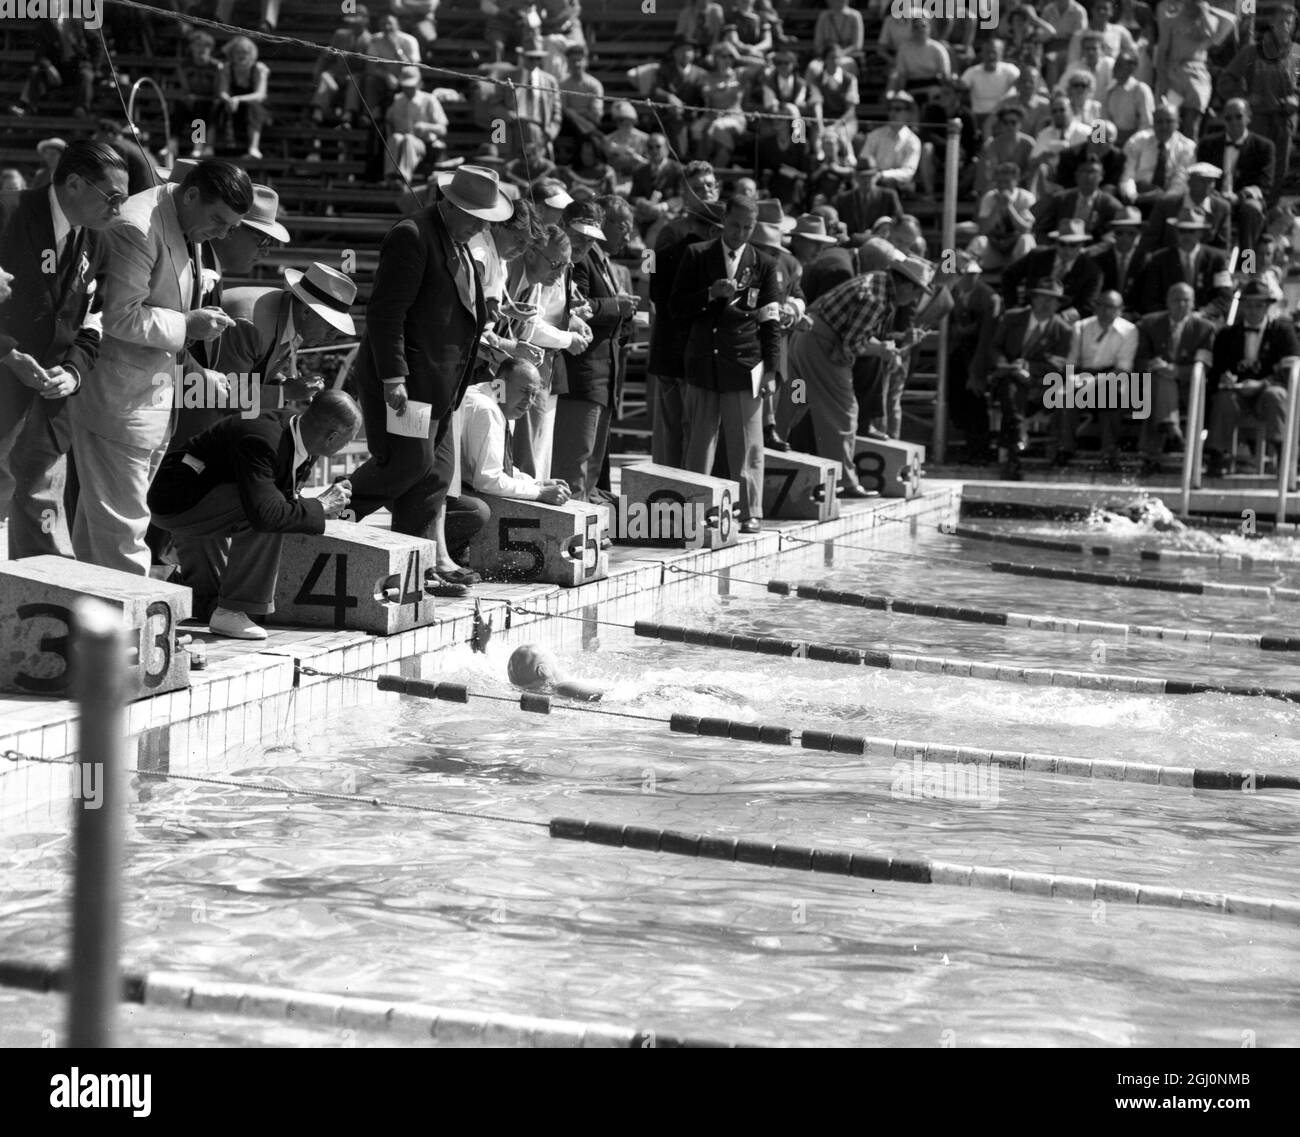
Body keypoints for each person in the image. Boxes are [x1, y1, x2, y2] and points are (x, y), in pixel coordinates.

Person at [70, 159, 252, 577]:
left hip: (152, 397)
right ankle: (133, 636)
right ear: (191, 195)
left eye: (232, 227)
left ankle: (93, 621)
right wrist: (188, 324)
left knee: (106, 523)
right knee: (123, 527)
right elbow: (119, 317)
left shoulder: (189, 224)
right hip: (119, 398)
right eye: (220, 220)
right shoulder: (137, 225)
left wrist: (192, 367)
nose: (224, 233)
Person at [346, 165, 510, 587]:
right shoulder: (413, 235)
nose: (480, 226)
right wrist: (393, 378)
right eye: (475, 216)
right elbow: (385, 312)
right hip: (409, 385)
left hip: (443, 388)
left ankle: (420, 566)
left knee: (436, 473)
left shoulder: (460, 244)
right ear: (450, 204)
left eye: (485, 219)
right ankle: (334, 510)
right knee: (408, 463)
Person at [0, 141, 129, 560]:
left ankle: (37, 609)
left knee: (41, 507)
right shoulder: (8, 212)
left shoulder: (100, 242)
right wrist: (7, 352)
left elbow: (97, 319)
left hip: (51, 396)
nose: (118, 210)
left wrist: (73, 371)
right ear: (74, 183)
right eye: (112, 197)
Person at [148, 391, 362, 638]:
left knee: (209, 603)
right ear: (332, 436)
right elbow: (265, 514)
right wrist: (319, 506)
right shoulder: (264, 438)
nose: (347, 445)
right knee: (270, 511)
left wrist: (315, 508)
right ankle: (233, 611)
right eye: (348, 440)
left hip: (205, 497)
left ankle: (188, 593)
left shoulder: (302, 433)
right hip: (176, 500)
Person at [777, 255, 932, 496]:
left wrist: (890, 345)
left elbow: (854, 333)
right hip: (822, 347)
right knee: (844, 413)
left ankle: (774, 452)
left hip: (804, 340)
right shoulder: (877, 299)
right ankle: (846, 483)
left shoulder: (876, 282)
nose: (916, 298)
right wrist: (882, 350)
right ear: (906, 285)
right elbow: (851, 344)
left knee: (795, 401)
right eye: (917, 291)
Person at [671, 194, 780, 533]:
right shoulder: (696, 255)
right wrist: (708, 294)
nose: (741, 232)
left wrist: (773, 371)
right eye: (735, 225)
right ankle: (695, 511)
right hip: (703, 363)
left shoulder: (764, 263)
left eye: (748, 227)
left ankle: (752, 511)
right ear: (724, 220)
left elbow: (770, 321)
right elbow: (675, 307)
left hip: (745, 364)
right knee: (699, 445)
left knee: (748, 446)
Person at [553, 199, 636, 502]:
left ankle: (584, 532)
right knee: (574, 464)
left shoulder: (599, 260)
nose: (584, 243)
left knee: (591, 465)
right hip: (579, 375)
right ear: (562, 227)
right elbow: (576, 309)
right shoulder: (574, 263)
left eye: (590, 238)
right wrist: (617, 306)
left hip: (603, 375)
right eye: (579, 236)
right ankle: (573, 537)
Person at [647, 161, 722, 468]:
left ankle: (697, 497)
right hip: (675, 346)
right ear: (684, 194)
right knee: (672, 428)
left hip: (709, 349)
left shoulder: (725, 228)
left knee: (700, 431)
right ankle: (665, 495)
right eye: (699, 187)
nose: (707, 191)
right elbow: (659, 291)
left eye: (711, 185)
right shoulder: (671, 232)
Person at [1203, 278, 1300, 477]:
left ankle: (1285, 458)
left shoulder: (1283, 332)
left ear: (1267, 307)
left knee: (1276, 396)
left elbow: (1290, 370)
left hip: (1268, 392)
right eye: (1249, 305)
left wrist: (1262, 384)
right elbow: (1216, 370)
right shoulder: (1226, 335)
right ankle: (1218, 456)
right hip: (1237, 394)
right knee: (1223, 399)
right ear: (1242, 307)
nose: (1253, 310)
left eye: (1259, 305)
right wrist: (1225, 378)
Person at [992, 279, 1074, 479]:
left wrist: (1027, 368)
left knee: (1013, 399)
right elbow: (995, 347)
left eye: (1052, 300)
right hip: (1010, 376)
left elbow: (1058, 363)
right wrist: (1009, 366)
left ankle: (1010, 455)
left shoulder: (1063, 329)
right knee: (1010, 390)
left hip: (1041, 382)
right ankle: (1017, 437)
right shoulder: (1012, 318)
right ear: (1034, 299)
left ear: (1058, 304)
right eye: (1043, 298)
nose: (1047, 304)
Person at [461, 359, 570, 505]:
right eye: (525, 391)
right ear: (500, 383)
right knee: (478, 511)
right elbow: (488, 481)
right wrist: (540, 493)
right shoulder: (486, 409)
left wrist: (537, 484)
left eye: (533, 394)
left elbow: (497, 466)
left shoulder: (494, 397)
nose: (529, 401)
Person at [1134, 282, 1215, 475]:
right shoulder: (1149, 324)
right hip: (1152, 383)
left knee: (1164, 382)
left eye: (1186, 300)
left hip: (1190, 387)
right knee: (1161, 383)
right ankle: (1171, 430)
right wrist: (1156, 366)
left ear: (1193, 303)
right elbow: (1140, 358)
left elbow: (1204, 365)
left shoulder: (1205, 328)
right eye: (1176, 300)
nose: (1181, 304)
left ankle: (1152, 453)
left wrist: (1175, 371)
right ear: (1167, 302)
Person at [1054, 288, 1138, 469]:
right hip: (1083, 374)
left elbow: (1123, 369)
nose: (1106, 311)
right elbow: (1071, 361)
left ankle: (1109, 452)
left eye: (1111, 307)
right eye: (1101, 305)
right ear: (1095, 307)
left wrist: (1093, 382)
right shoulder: (1081, 327)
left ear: (1120, 309)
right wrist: (1070, 380)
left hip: (1113, 377)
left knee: (1113, 393)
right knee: (1064, 394)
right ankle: (1064, 449)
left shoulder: (1130, 330)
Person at [384, 65, 448, 185]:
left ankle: (403, 178)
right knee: (395, 138)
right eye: (405, 86)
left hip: (424, 145)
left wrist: (426, 126)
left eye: (411, 86)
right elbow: (389, 122)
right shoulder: (397, 100)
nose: (408, 89)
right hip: (400, 143)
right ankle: (390, 177)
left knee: (409, 139)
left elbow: (443, 129)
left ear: (418, 83)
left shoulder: (429, 100)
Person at [218, 36, 270, 160]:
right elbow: (221, 91)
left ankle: (253, 147)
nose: (242, 55)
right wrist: (229, 99)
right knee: (203, 112)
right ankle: (200, 146)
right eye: (238, 52)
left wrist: (237, 99)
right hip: (201, 101)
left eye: (245, 52)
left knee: (254, 109)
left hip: (250, 109)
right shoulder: (222, 68)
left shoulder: (259, 69)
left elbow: (260, 95)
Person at [507, 644, 605, 701]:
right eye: (555, 662)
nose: (559, 667)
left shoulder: (532, 696)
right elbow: (604, 696)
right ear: (543, 671)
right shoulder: (562, 688)